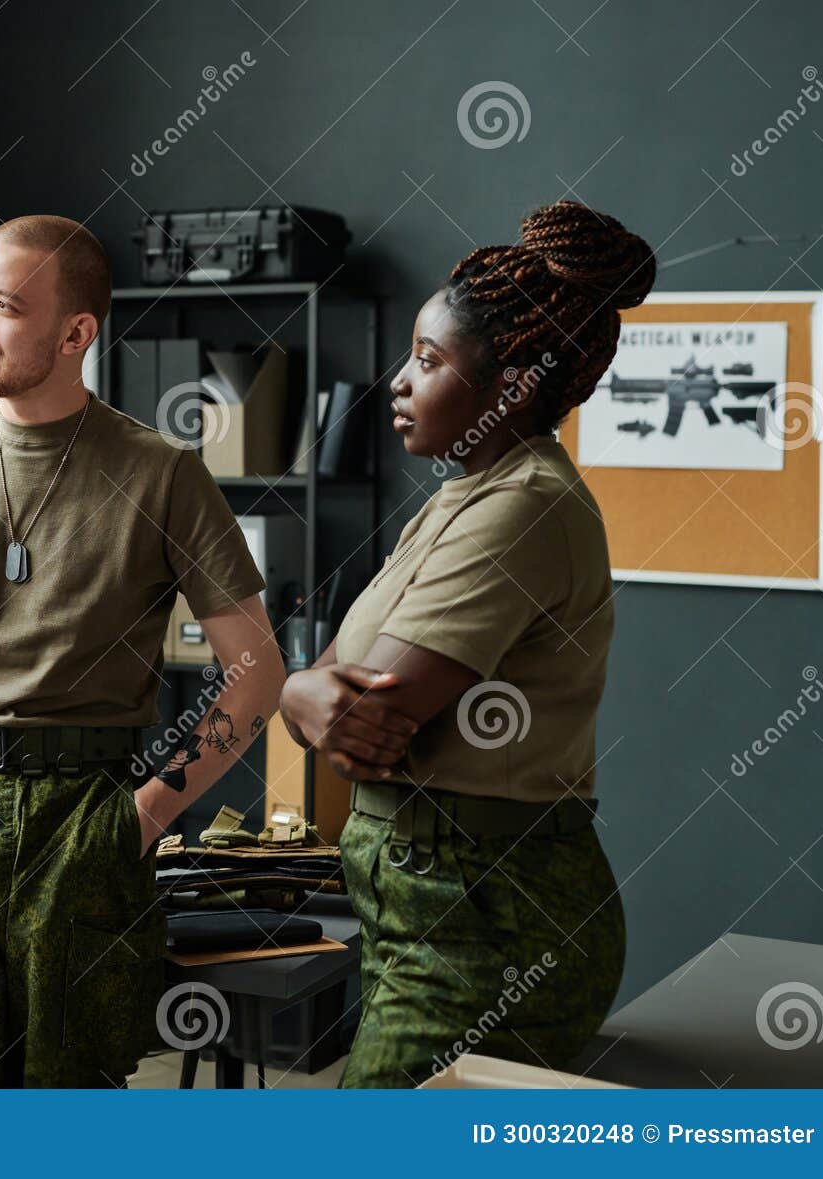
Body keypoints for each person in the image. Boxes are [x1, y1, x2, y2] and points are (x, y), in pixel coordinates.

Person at [0, 215, 286, 1087]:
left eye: (4, 307)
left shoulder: (162, 472)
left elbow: (259, 670)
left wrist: (148, 814)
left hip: (83, 815)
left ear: (76, 333)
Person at [279, 201, 655, 1087]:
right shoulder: (463, 495)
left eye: (429, 359)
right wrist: (302, 692)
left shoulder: (527, 505)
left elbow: (370, 719)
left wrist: (309, 695)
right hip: (426, 912)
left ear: (516, 385)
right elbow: (326, 687)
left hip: (488, 924)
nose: (397, 382)